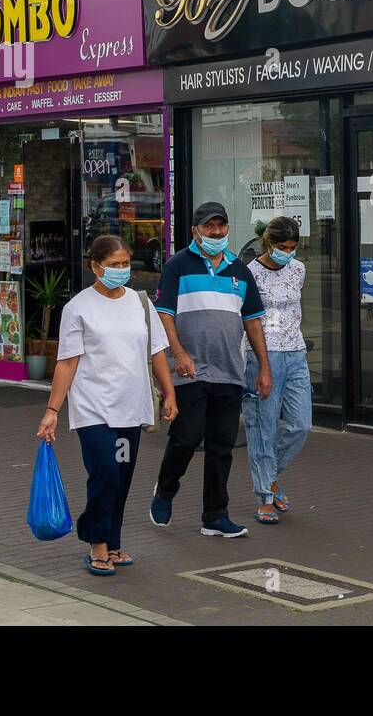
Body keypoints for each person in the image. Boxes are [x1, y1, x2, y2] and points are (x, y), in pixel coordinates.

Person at [36, 236, 177, 575]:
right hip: (94, 409)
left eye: (125, 262)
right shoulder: (79, 307)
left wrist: (170, 393)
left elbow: (158, 352)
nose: (121, 270)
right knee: (105, 472)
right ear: (95, 266)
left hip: (132, 406)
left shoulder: (140, 303)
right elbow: (67, 362)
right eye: (113, 264)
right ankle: (96, 542)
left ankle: (112, 542)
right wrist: (52, 410)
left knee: (122, 476)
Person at [149, 202, 271, 539]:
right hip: (189, 370)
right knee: (186, 437)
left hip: (230, 370)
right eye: (209, 227)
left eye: (221, 226)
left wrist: (263, 367)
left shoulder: (239, 270)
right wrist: (179, 353)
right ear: (195, 231)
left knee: (222, 445)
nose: (216, 233)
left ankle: (215, 516)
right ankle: (166, 487)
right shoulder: (178, 265)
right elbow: (164, 314)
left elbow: (253, 323)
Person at [242, 216, 313, 525]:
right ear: (268, 243)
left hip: (295, 352)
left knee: (301, 425)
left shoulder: (298, 270)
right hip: (262, 355)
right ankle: (265, 497)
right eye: (283, 246)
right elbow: (249, 320)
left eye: (293, 247)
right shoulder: (250, 274)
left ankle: (269, 477)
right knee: (263, 427)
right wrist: (261, 364)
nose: (289, 252)